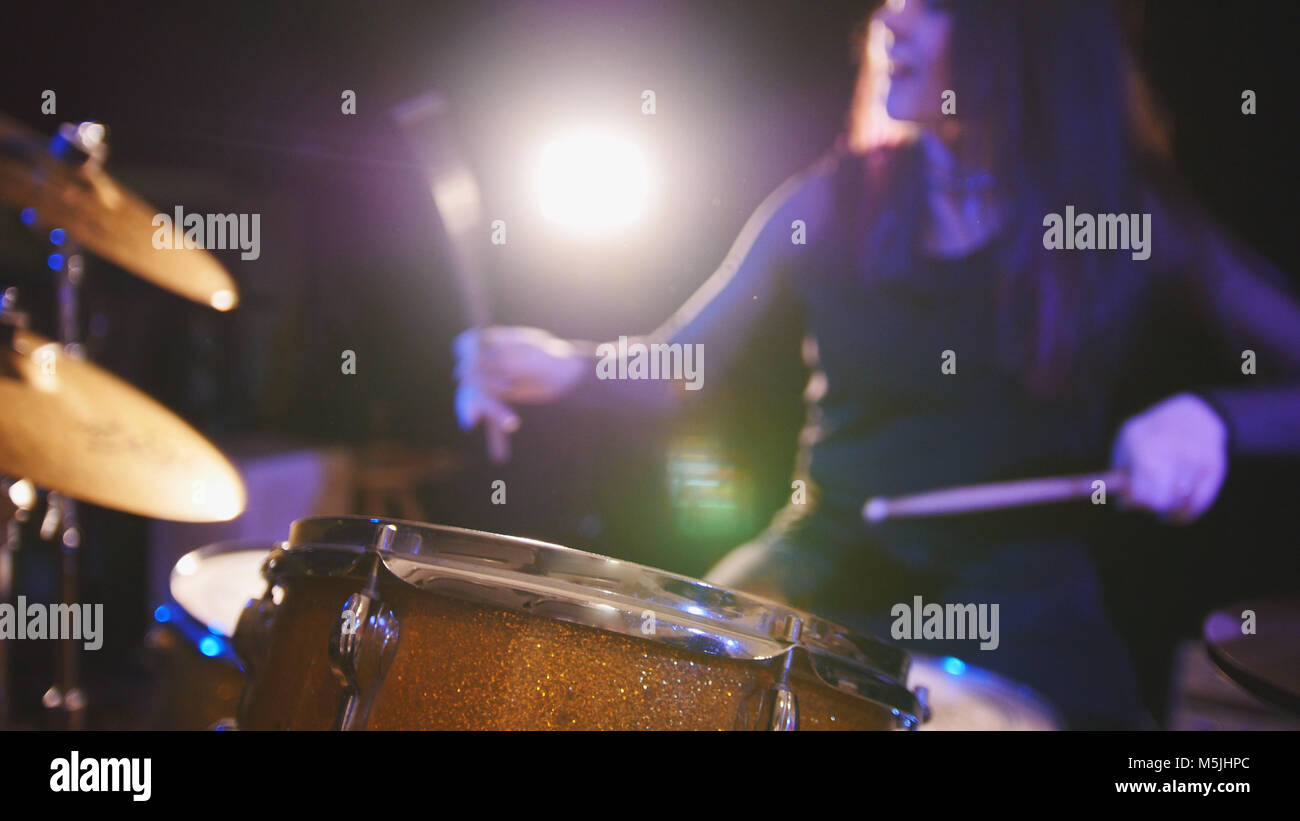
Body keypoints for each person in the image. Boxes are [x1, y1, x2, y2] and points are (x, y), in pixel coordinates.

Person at [453, 0, 1300, 728]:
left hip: (1022, 616)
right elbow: (680, 367)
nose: (892, 16)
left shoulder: (1121, 217)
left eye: (935, 1)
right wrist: (563, 364)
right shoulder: (833, 197)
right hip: (819, 572)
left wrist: (1214, 417)